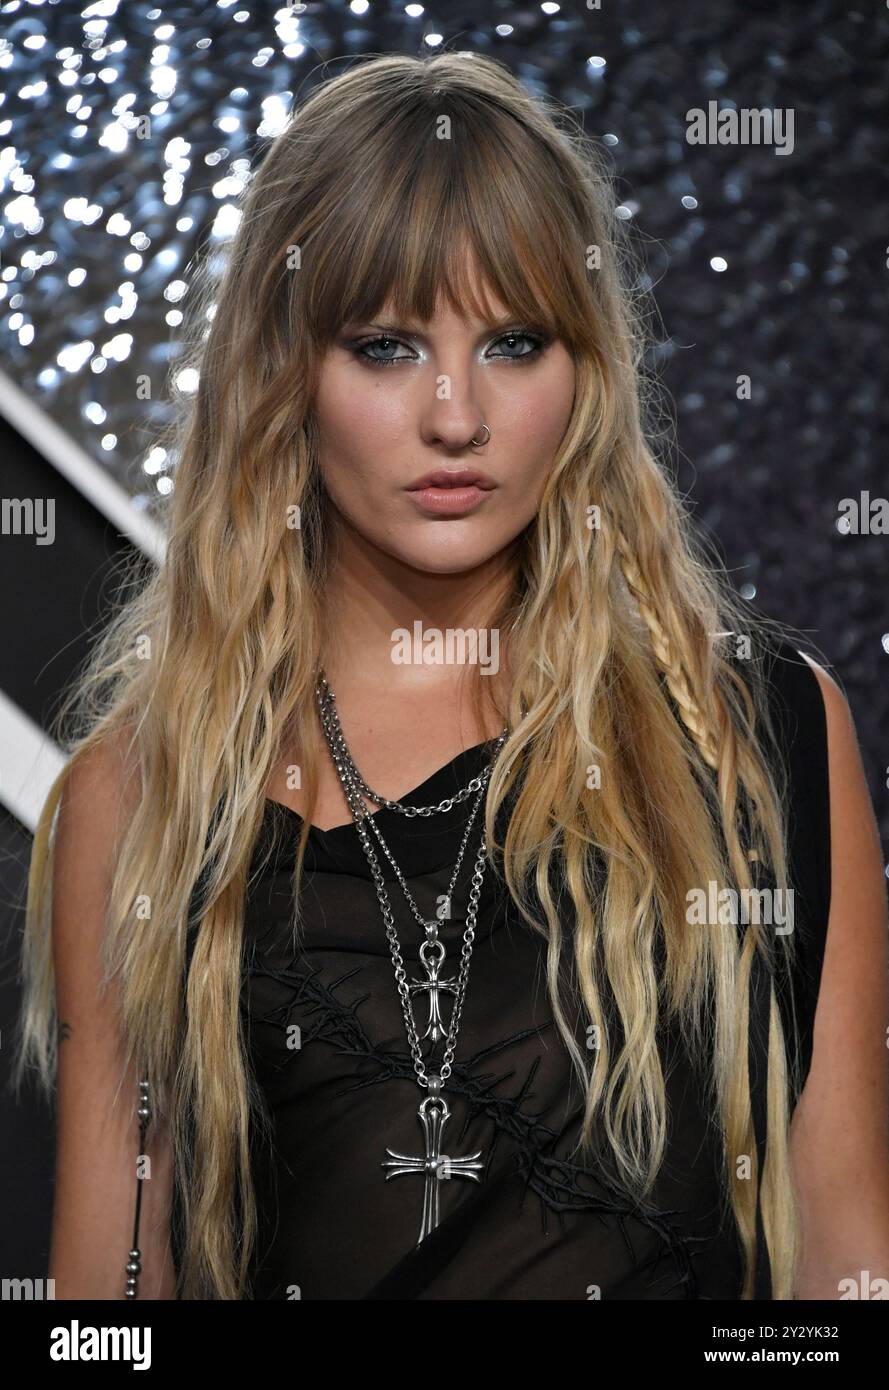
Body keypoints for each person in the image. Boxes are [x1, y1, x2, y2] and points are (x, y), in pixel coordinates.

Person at [13, 52, 889, 1301]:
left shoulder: (763, 728)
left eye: (514, 342)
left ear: (584, 372)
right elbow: (105, 1317)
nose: (455, 415)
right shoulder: (147, 796)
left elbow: (849, 1257)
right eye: (384, 346)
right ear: (284, 375)